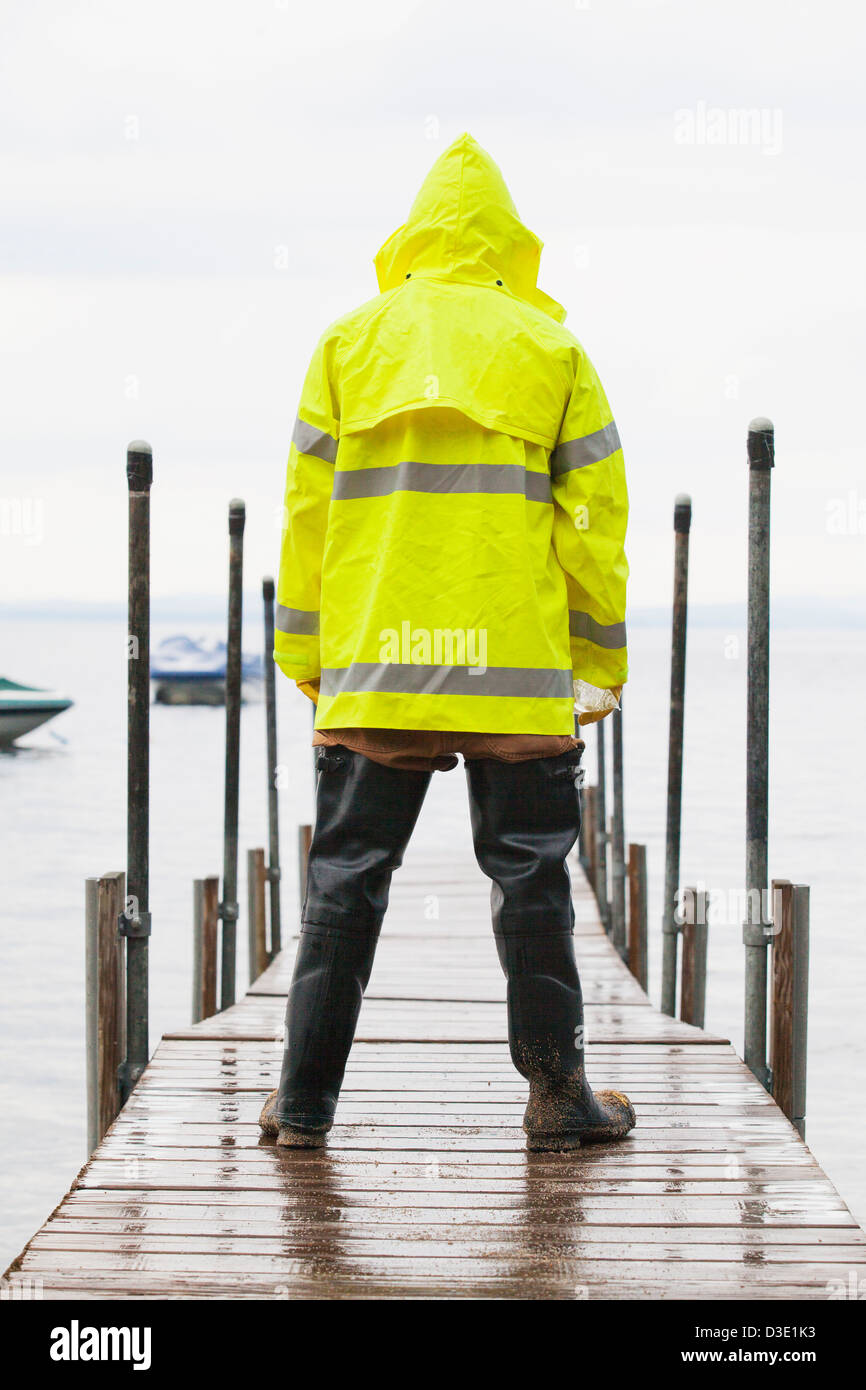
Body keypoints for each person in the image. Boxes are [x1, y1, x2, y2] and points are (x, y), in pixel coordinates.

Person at [259, 133, 634, 1152]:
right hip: (512, 670)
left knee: (344, 880)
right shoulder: (552, 350)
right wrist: (596, 663)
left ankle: (301, 1107)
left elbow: (305, 520)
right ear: (510, 241)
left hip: (380, 663)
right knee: (531, 877)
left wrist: (305, 655)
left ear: (412, 238)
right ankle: (557, 1096)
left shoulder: (347, 344)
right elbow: (594, 520)